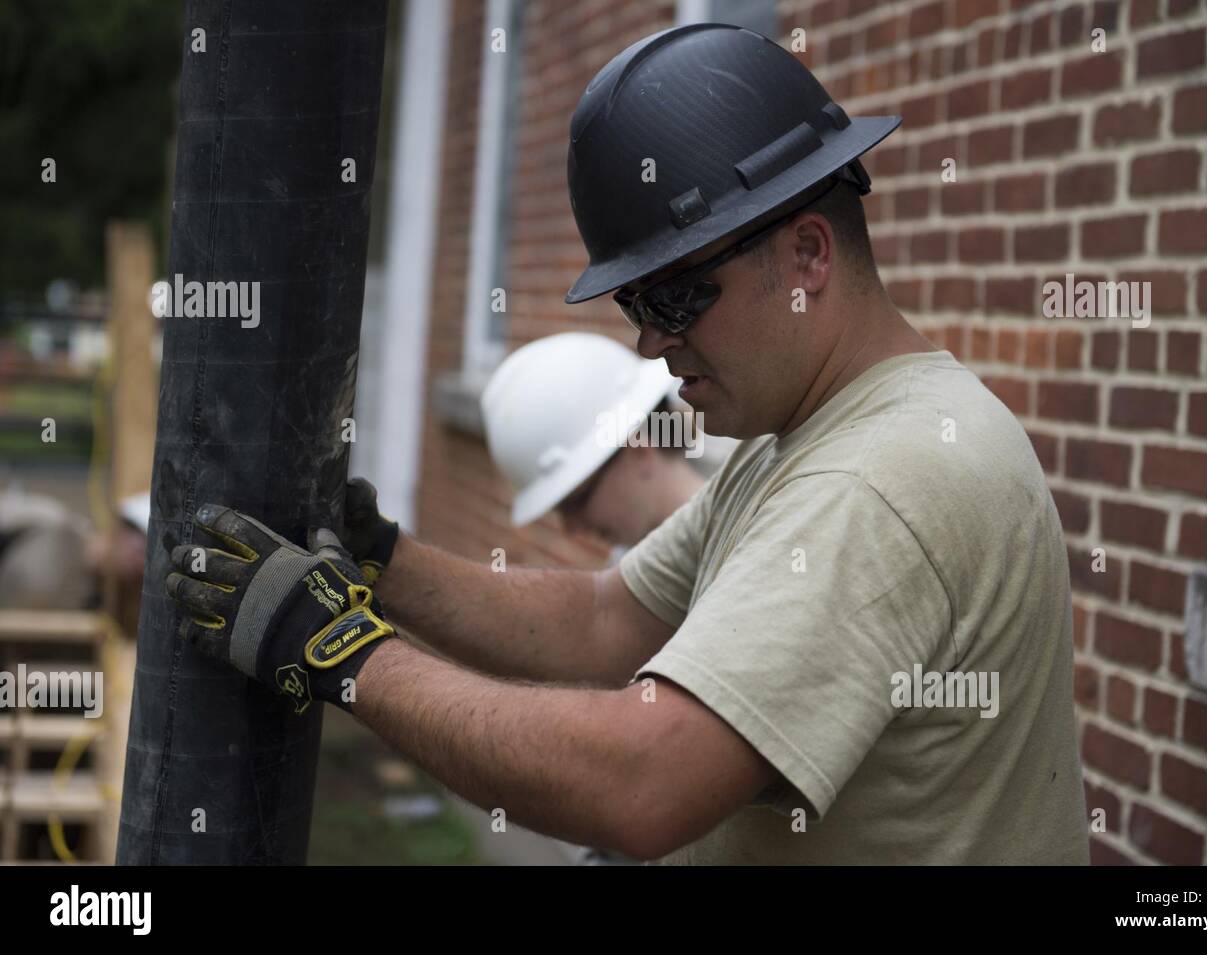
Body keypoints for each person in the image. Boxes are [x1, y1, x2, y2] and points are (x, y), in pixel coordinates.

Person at [164, 23, 1089, 864]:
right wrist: (384, 565)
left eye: (677, 297)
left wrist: (344, 655)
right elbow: (608, 620)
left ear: (810, 255)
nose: (650, 340)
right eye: (636, 303)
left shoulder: (882, 480)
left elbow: (645, 782)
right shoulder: (796, 440)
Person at [480, 331, 706, 551]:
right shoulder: (633, 565)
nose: (571, 528)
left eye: (576, 502)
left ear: (639, 452)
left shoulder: (729, 565)